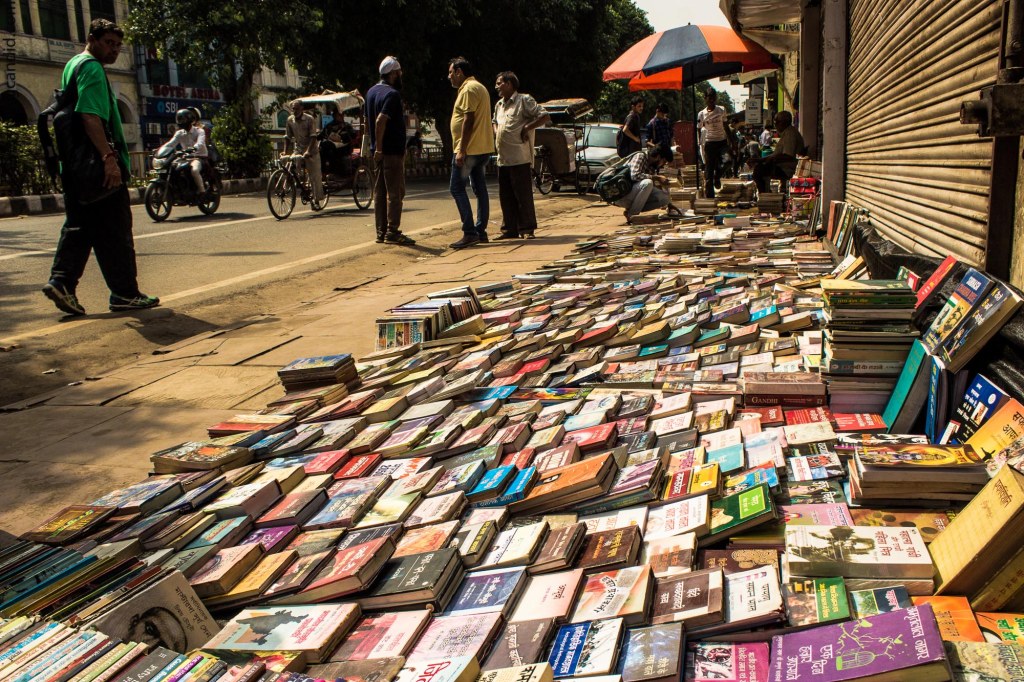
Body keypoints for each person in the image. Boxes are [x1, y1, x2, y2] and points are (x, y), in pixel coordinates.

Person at [42, 19, 159, 316]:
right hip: (96, 166)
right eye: (109, 43)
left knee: (83, 225)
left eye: (118, 45)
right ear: (92, 39)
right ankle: (124, 293)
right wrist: (109, 159)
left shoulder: (74, 64)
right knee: (116, 230)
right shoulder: (92, 68)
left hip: (76, 167)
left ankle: (62, 281)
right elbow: (90, 116)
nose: (115, 50)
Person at [492, 71, 550, 240]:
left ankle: (527, 228)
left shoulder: (524, 100)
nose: (497, 87)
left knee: (522, 195)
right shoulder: (499, 105)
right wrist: (497, 132)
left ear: (509, 84)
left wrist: (527, 128)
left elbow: (544, 116)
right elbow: (495, 121)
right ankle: (510, 229)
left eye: (499, 83)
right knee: (506, 195)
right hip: (503, 158)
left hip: (519, 157)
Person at [366, 56, 415, 245]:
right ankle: (393, 231)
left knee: (379, 192)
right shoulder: (392, 94)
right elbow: (380, 121)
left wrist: (370, 147)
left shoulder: (370, 92)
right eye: (399, 72)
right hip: (391, 152)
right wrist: (379, 148)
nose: (401, 75)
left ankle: (381, 231)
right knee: (395, 193)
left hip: (378, 153)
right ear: (393, 73)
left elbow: (366, 123)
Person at [447, 56, 495, 249]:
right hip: (482, 148)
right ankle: (480, 230)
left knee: (456, 188)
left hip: (470, 150)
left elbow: (468, 120)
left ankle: (470, 232)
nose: (449, 76)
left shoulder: (468, 89)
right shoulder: (480, 87)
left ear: (459, 72)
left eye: (451, 72)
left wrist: (462, 149)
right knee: (479, 187)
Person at [615, 143, 683, 223]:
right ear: (658, 157)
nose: (663, 164)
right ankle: (632, 215)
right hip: (622, 195)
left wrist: (669, 204)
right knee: (648, 183)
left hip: (633, 194)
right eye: (664, 161)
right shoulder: (640, 156)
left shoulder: (651, 166)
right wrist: (657, 177)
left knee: (665, 198)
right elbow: (634, 176)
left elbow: (650, 191)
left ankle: (631, 210)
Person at [750, 110, 805, 193]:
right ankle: (766, 194)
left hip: (788, 168)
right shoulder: (786, 133)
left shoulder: (790, 134)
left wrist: (770, 160)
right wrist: (760, 160)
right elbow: (777, 154)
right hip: (783, 165)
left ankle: (766, 196)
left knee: (759, 170)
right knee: (760, 167)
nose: (775, 125)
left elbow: (788, 156)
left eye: (777, 122)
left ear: (784, 122)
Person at [283, 100, 325, 207]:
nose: (294, 111)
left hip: (311, 150)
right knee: (289, 164)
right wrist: (285, 151)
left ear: (302, 108)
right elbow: (287, 137)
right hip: (299, 148)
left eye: (297, 108)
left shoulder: (309, 119)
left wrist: (308, 151)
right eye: (293, 109)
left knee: (314, 176)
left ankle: (316, 200)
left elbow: (313, 137)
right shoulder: (290, 120)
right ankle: (291, 184)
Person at [157, 108, 207, 194]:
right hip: (185, 157)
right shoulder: (179, 133)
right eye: (179, 119)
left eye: (183, 119)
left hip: (198, 157)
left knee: (194, 170)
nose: (181, 121)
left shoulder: (199, 131)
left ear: (189, 119)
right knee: (171, 167)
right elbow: (171, 144)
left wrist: (194, 148)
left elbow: (200, 143)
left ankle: (202, 191)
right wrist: (160, 150)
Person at [697, 89, 727, 198]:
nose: (712, 100)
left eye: (713, 97)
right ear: (705, 99)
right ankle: (710, 199)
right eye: (709, 97)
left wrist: (732, 142)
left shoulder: (721, 110)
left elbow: (726, 126)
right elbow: (699, 130)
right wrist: (701, 146)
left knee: (727, 161)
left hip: (722, 142)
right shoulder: (701, 114)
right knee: (708, 172)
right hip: (709, 143)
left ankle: (717, 176)